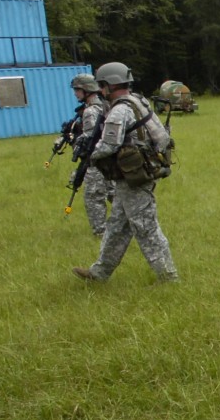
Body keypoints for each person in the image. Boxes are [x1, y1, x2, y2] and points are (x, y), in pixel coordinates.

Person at [72, 61, 178, 284]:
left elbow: (109, 145)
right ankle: (99, 273)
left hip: (134, 177)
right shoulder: (137, 100)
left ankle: (169, 277)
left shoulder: (119, 110)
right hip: (131, 175)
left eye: (102, 86)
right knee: (117, 227)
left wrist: (89, 155)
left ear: (109, 85)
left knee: (146, 228)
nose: (100, 91)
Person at [69, 73, 113, 237]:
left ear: (86, 90)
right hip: (110, 158)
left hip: (96, 160)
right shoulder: (106, 105)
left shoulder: (90, 111)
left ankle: (101, 232)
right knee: (114, 193)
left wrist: (76, 142)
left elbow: (90, 139)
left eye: (77, 90)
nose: (75, 93)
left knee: (93, 197)